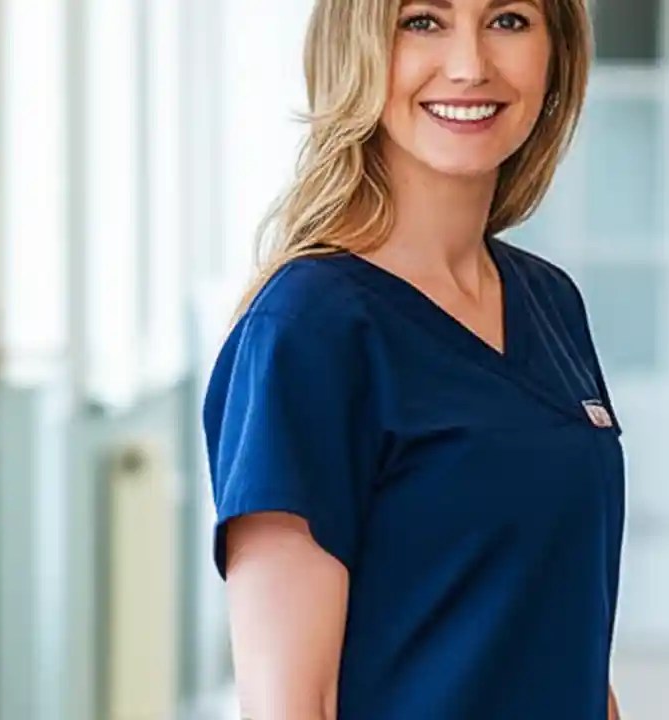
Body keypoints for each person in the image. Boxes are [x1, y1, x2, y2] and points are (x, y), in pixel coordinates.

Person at [201, 0, 625, 717]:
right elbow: (290, 704)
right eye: (423, 21)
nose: (469, 65)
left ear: (557, 54)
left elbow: (566, 639)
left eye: (509, 20)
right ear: (357, 50)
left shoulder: (550, 303)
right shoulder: (309, 328)